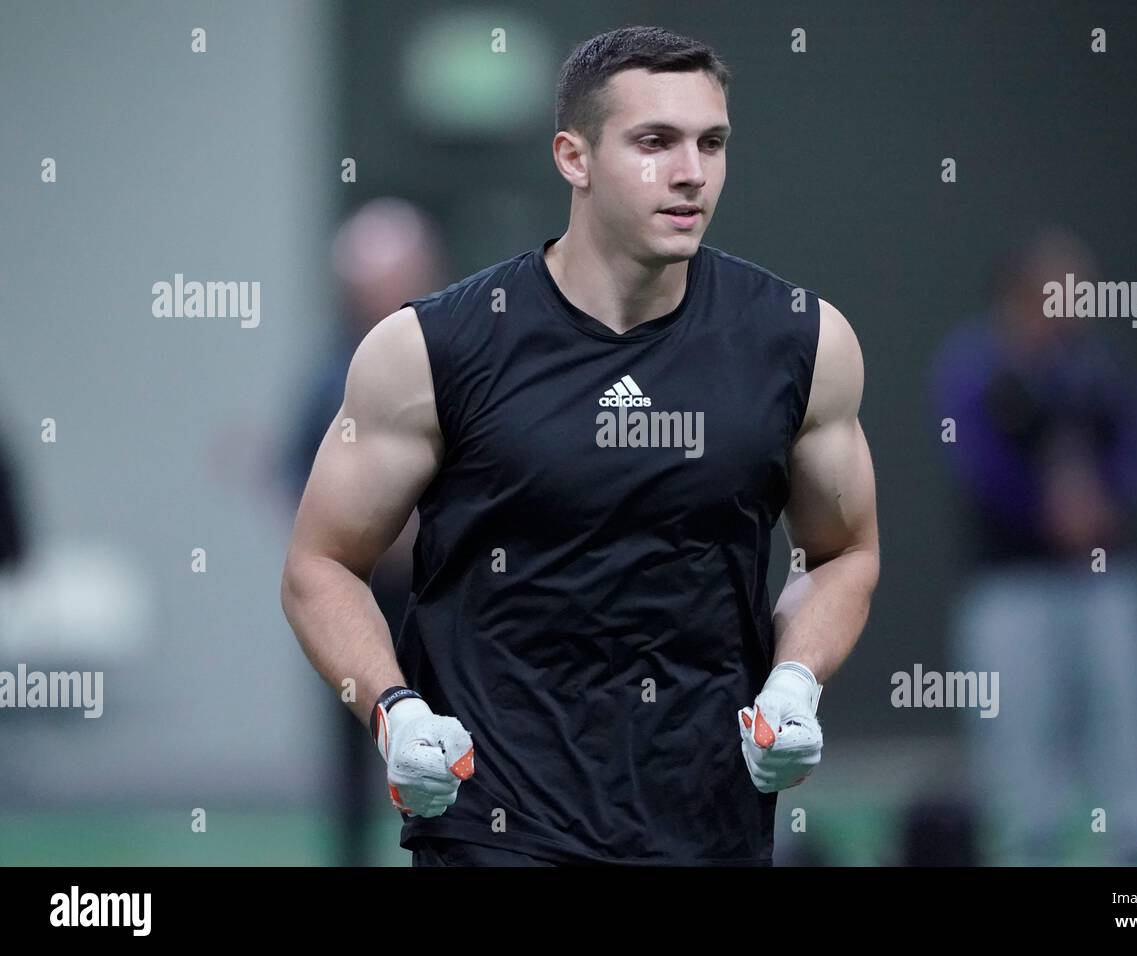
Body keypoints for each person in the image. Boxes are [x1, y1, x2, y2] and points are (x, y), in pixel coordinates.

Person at [281, 25, 880, 866]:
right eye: (654, 142)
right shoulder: (432, 348)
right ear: (574, 157)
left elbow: (843, 550)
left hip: (706, 822)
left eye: (711, 143)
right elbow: (321, 563)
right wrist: (397, 712)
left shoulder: (800, 340)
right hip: (496, 823)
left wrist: (795, 682)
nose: (690, 172)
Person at [931, 227, 1137, 865]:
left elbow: (1133, 447)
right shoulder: (974, 367)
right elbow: (974, 460)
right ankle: (1025, 836)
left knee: (1121, 705)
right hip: (1010, 581)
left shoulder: (1097, 364)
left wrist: (1103, 504)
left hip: (1103, 574)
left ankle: (1135, 837)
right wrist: (1045, 510)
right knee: (1016, 719)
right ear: (1021, 293)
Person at [283, 198, 449, 866]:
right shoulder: (332, 378)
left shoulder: (460, 363)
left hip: (446, 593)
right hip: (364, 588)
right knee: (359, 747)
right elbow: (300, 486)